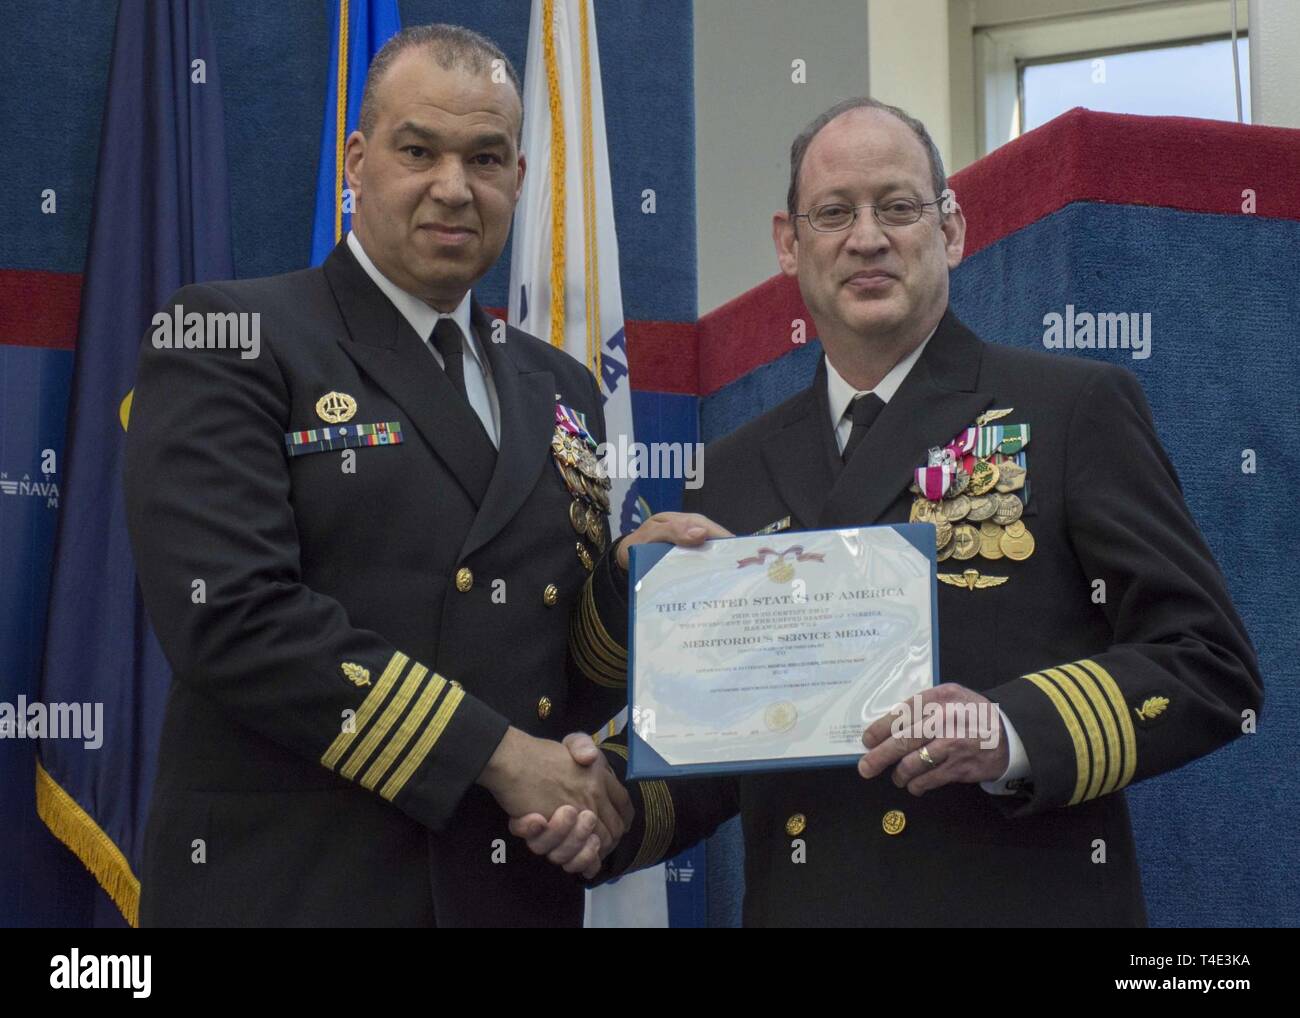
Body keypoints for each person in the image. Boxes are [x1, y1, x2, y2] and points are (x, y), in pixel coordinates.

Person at [513, 97, 1263, 927]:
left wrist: (1010, 730)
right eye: (834, 213)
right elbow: (721, 752)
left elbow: (1209, 667)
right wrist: (603, 804)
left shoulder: (1068, 410)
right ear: (789, 246)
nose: (867, 237)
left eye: (898, 207)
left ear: (951, 230)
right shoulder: (728, 470)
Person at [123, 23, 717, 927]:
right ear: (357, 162)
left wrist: (627, 595)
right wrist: (500, 756)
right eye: (418, 151)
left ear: (520, 178)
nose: (453, 187)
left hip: (506, 893)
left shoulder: (561, 386)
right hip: (299, 891)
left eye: (485, 157)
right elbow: (235, 619)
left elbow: (546, 659)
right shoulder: (229, 337)